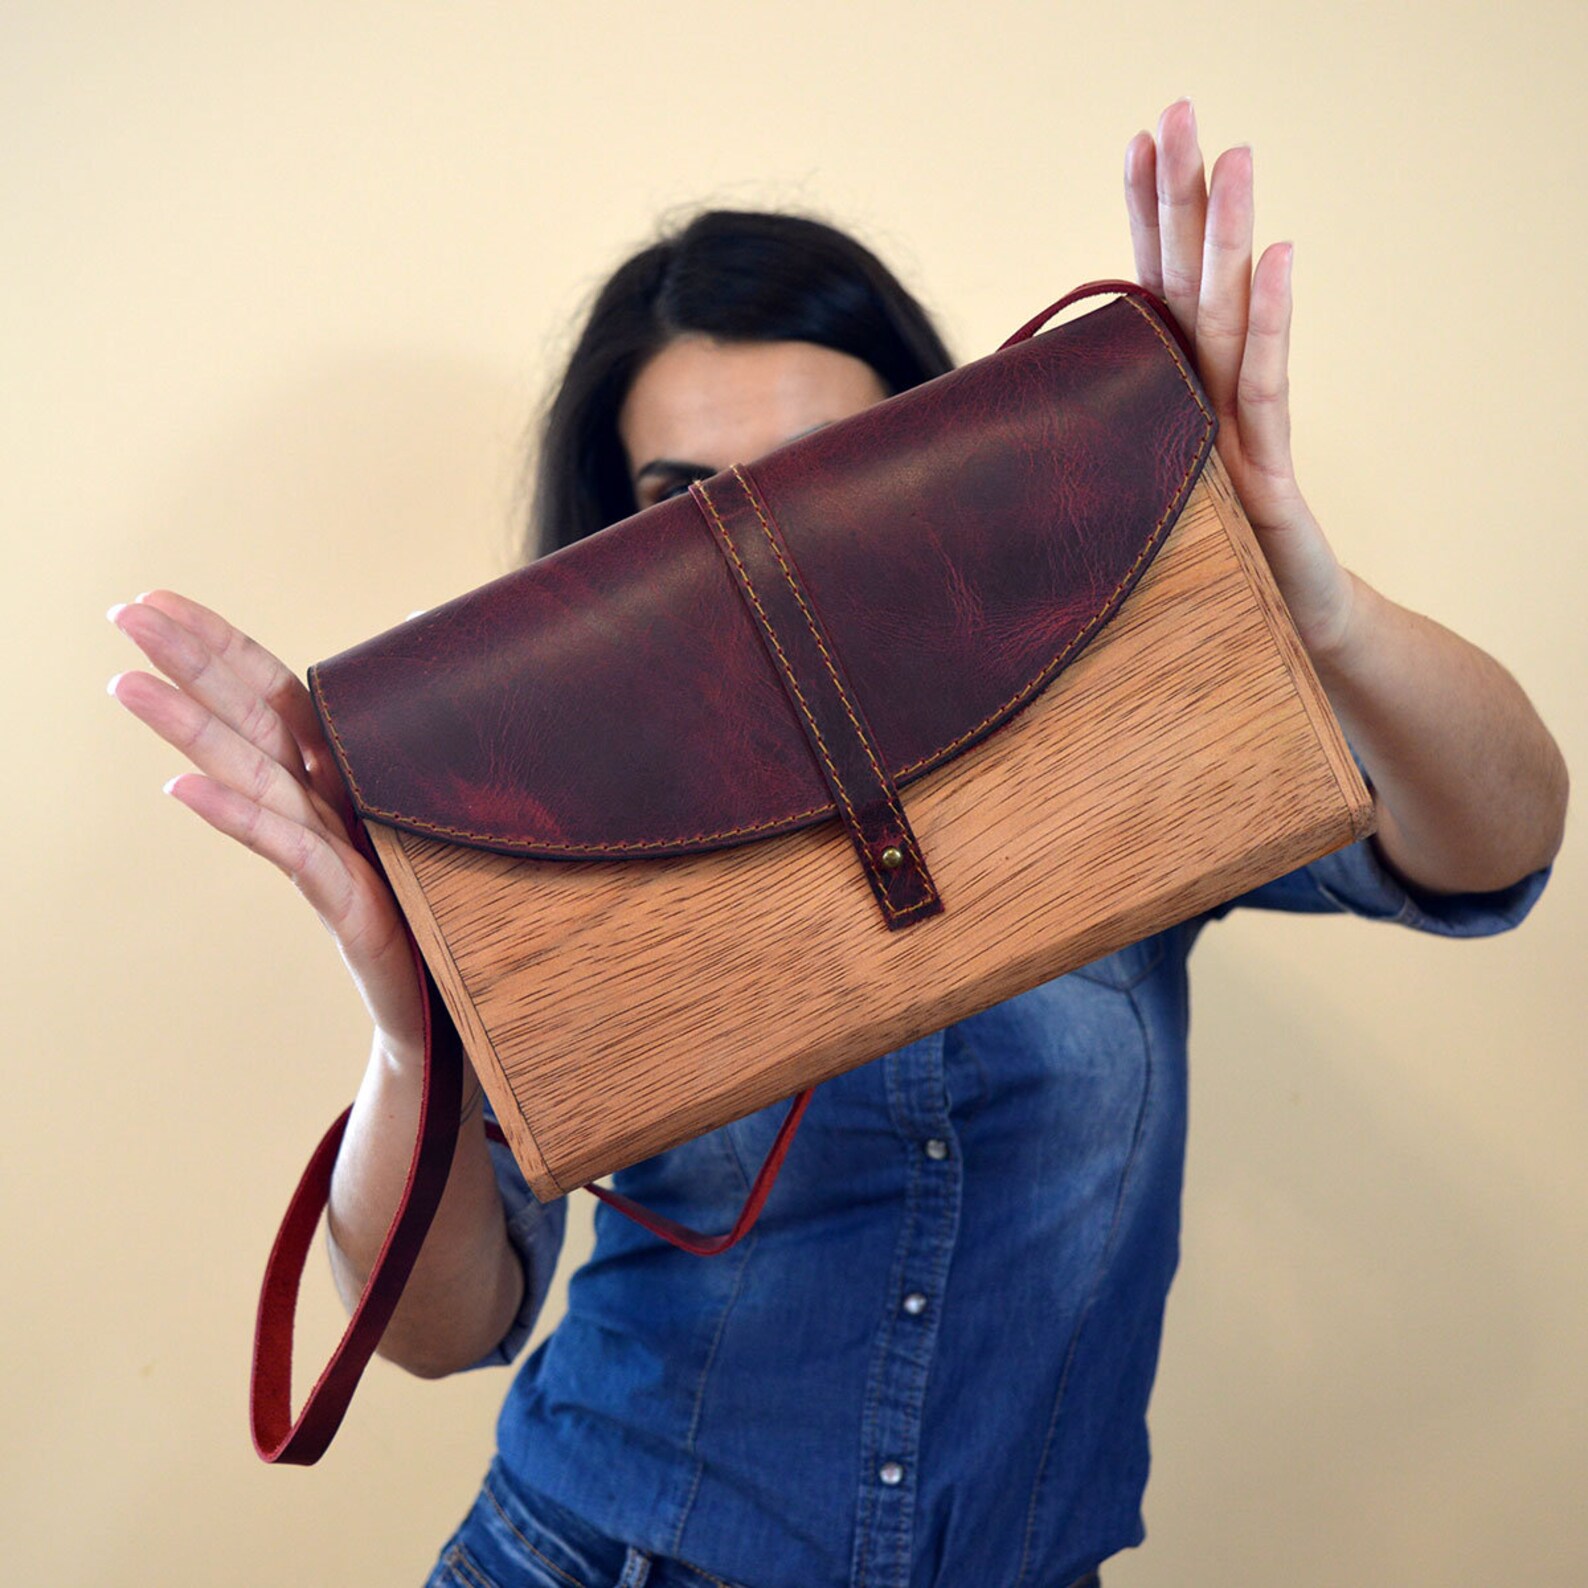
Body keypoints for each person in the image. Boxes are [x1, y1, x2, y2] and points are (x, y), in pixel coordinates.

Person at [107, 98, 1566, 1588]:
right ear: (605, 546)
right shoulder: (564, 836)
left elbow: (1494, 847)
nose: (766, 543)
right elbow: (443, 1331)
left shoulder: (1089, 710)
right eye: (686, 504)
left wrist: (1301, 589)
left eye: (831, 463)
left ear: (933, 442)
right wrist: (412, 1033)